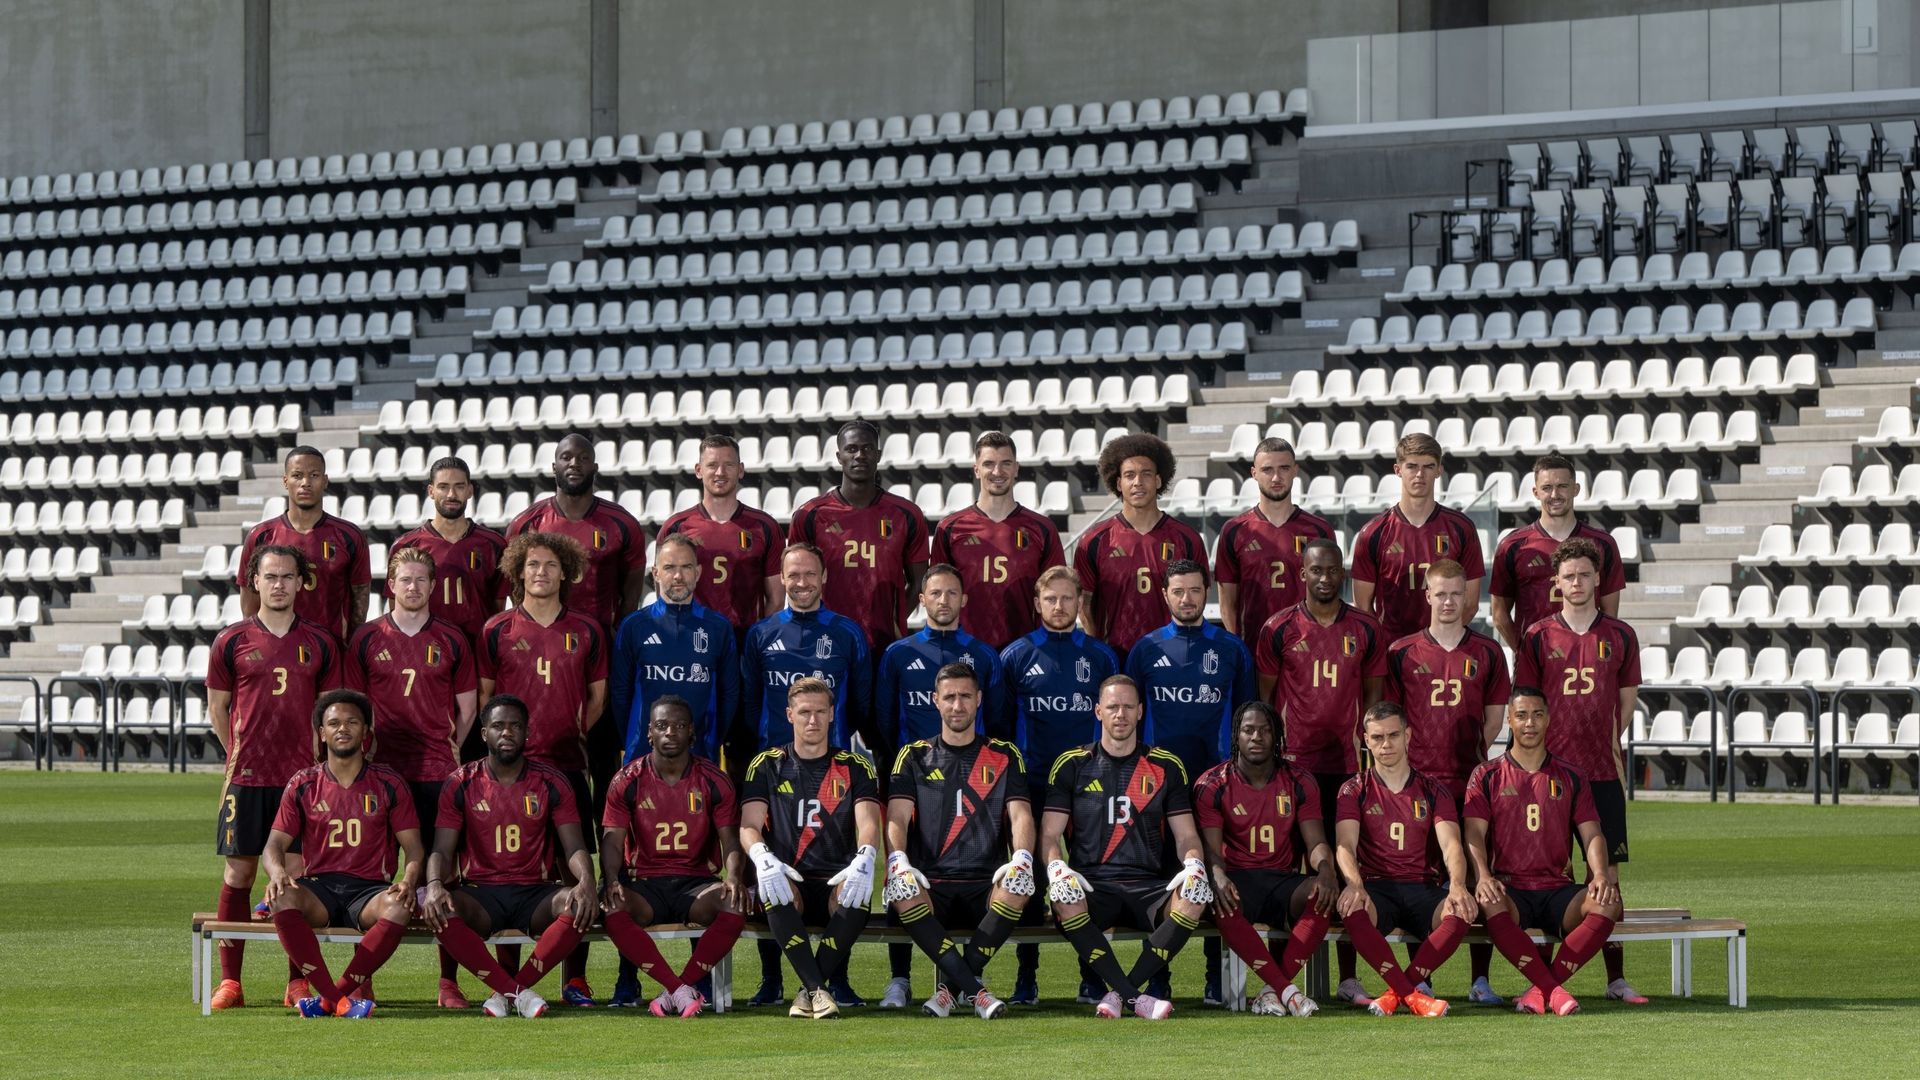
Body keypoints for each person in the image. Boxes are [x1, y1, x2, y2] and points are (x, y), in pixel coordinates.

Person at [206, 544, 343, 1011]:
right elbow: (219, 709)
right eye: (271, 577)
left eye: (288, 576)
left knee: (297, 880)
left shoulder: (321, 642)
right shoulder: (231, 640)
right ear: (255, 583)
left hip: (304, 782)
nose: (279, 584)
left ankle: (297, 982)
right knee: (240, 872)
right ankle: (231, 982)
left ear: (301, 583)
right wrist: (238, 757)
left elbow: (331, 713)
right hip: (248, 779)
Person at [1252, 538, 1386, 1005]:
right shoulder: (1278, 628)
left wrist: (1369, 756)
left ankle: (1348, 976)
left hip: (1347, 769)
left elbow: (1372, 700)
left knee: (1350, 869)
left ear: (1342, 572)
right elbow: (1266, 704)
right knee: (1288, 872)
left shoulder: (1366, 628)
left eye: (1333, 570)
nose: (1325, 578)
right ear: (1301, 574)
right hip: (1294, 770)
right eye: (1316, 570)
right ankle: (1280, 976)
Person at [478, 531, 609, 1006]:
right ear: (519, 572)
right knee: (512, 872)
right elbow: (486, 697)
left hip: (568, 764)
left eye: (551, 565)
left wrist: (567, 728)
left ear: (565, 572)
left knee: (573, 870)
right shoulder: (497, 629)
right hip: (512, 771)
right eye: (532, 565)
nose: (541, 573)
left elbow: (596, 699)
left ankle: (574, 978)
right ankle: (509, 982)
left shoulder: (588, 630)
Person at [344, 546, 479, 1007]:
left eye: (422, 580)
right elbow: (355, 710)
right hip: (381, 775)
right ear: (391, 585)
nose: (414, 587)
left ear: (433, 586)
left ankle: (447, 982)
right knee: (372, 875)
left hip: (439, 773)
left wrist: (449, 745)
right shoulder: (366, 638)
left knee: (443, 876)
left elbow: (466, 709)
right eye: (406, 580)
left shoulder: (453, 639)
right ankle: (362, 979)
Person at [1515, 537, 1645, 1005]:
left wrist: (1604, 741)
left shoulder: (1620, 635)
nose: (1577, 583)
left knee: (1607, 878)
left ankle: (1615, 979)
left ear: (1596, 580)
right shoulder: (1537, 636)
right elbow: (1525, 707)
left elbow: (1625, 702)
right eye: (1568, 576)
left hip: (1602, 775)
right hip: (1551, 778)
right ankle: (1549, 980)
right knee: (1549, 877)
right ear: (1557, 583)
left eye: (1584, 575)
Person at [872, 563, 1009, 1007]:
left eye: (953, 592)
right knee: (903, 869)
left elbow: (1000, 720)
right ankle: (900, 977)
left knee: (991, 868)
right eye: (936, 593)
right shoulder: (898, 653)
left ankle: (964, 982)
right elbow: (884, 720)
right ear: (922, 600)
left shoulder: (985, 656)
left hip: (973, 773)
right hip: (915, 774)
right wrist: (902, 767)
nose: (944, 600)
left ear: (964, 600)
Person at [506, 433, 648, 854]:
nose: (574, 464)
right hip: (542, 657)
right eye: (566, 457)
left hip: (598, 655)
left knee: (604, 766)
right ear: (554, 466)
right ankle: (530, 860)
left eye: (582, 458)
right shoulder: (527, 523)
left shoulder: (621, 524)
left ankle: (609, 870)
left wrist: (612, 636)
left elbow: (631, 591)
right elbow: (518, 585)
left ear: (594, 467)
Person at [1124, 557, 1256, 1006]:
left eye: (1195, 590)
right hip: (1156, 788)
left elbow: (1246, 720)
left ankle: (1216, 981)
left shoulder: (1232, 649)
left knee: (1217, 878)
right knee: (1160, 885)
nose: (1187, 599)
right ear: (1165, 595)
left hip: (1214, 786)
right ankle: (1157, 979)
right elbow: (1132, 722)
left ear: (1208, 592)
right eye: (1178, 591)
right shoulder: (1144, 650)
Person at [421, 695, 600, 1019]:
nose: (507, 733)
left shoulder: (551, 781)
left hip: (535, 893)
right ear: (484, 733)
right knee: (439, 906)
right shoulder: (461, 782)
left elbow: (574, 847)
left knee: (577, 902)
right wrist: (434, 884)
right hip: (481, 895)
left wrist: (587, 880)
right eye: (499, 726)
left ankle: (509, 990)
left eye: (515, 726)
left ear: (527, 733)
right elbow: (441, 851)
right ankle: (519, 993)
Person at [1041, 675, 1206, 1020]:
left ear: (1141, 711)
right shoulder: (1072, 763)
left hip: (1148, 885)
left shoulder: (1166, 766)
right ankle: (1136, 996)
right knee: (1062, 897)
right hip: (1092, 884)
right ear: (1098, 711)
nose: (1121, 714)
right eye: (1113, 707)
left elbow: (1187, 837)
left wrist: (1193, 865)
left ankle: (1120, 993)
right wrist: (1057, 868)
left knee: (1195, 896)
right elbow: (1048, 835)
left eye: (1128, 706)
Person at [1384, 556, 1510, 1004]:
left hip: (1469, 782)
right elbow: (1392, 719)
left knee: (1479, 874)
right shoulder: (1401, 652)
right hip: (1417, 784)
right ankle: (1423, 978)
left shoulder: (1488, 652)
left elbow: (1495, 718)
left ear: (1467, 598)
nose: (1449, 601)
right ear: (1428, 596)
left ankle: (1480, 979)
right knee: (1425, 880)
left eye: (1457, 593)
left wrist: (1474, 757)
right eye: (1441, 593)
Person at [996, 565, 1121, 1004]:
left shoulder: (1102, 657)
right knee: (1026, 876)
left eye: (1068, 598)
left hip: (1089, 784)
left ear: (1079, 602)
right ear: (1037, 603)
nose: (1059, 606)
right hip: (1032, 782)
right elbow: (1000, 728)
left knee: (1088, 877)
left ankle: (1092, 978)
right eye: (1051, 599)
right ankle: (1026, 978)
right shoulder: (1014, 656)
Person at [882, 663, 1032, 1019]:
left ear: (979, 699)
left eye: (965, 696)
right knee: (901, 890)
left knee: (1019, 886)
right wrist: (898, 861)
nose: (957, 705)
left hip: (986, 881)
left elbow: (1021, 814)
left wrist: (1022, 856)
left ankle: (951, 991)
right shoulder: (914, 755)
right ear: (935, 701)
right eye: (949, 697)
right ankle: (976, 992)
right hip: (931, 881)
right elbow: (896, 817)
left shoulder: (1004, 754)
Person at [262, 689, 424, 1018]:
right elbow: (273, 845)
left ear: (367, 732)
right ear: (321, 733)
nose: (342, 728)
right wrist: (278, 873)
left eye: (352, 722)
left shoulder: (389, 783)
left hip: (369, 891)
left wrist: (408, 880)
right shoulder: (303, 783)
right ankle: (337, 998)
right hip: (319, 888)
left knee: (399, 906)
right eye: (333, 723)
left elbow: (415, 848)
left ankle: (329, 998)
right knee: (281, 898)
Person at [1464, 688, 1622, 1016]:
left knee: (1609, 903)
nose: (1529, 723)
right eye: (1521, 715)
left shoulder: (1572, 775)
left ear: (1549, 720)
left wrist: (1602, 874)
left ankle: (1542, 987)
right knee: (1488, 899)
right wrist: (1482, 876)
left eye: (1537, 715)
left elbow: (1592, 833)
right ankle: (1553, 990)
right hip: (1510, 888)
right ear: (1509, 720)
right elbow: (1473, 834)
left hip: (1557, 890)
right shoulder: (1486, 774)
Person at [739, 678, 885, 1020]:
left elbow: (868, 822)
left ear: (832, 714)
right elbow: (749, 825)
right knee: (773, 886)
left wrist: (865, 858)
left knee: (857, 891)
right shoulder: (767, 764)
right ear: (790, 715)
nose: (813, 721)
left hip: (836, 875)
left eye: (821, 712)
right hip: (789, 875)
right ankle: (818, 989)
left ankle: (815, 990)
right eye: (804, 712)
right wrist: (762, 857)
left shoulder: (854, 765)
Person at [599, 697, 748, 1019]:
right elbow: (612, 842)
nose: (671, 732)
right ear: (649, 732)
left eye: (679, 726)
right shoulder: (627, 780)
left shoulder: (713, 779)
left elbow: (731, 841)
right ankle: (654, 985)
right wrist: (611, 878)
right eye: (662, 725)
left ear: (691, 732)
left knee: (735, 901)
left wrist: (734, 877)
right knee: (612, 902)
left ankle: (684, 984)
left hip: (697, 884)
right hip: (645, 885)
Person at [1333, 702, 1477, 1019]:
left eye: (1394, 735)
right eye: (1378, 737)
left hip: (1423, 887)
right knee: (1352, 906)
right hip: (1377, 887)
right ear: (1365, 740)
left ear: (1408, 735)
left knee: (1462, 910)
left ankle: (1398, 991)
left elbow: (1452, 844)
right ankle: (1413, 994)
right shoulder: (1353, 789)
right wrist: (1355, 885)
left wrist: (1456, 886)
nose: (1386, 744)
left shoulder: (1432, 789)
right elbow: (1345, 844)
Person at [1194, 701, 1335, 1018]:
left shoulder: (1300, 781)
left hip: (1282, 880)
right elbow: (1212, 851)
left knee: (1322, 894)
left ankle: (1272, 991)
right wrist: (1217, 876)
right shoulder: (1212, 784)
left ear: (1277, 736)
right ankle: (1288, 991)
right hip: (1237, 880)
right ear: (1236, 736)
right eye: (1248, 730)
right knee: (1220, 895)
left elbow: (1316, 842)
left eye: (1265, 730)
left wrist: (1326, 870)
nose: (1256, 736)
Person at [788, 420, 930, 651]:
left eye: (867, 448)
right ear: (839, 456)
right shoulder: (809, 515)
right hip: (825, 641)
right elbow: (795, 578)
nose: (860, 455)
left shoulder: (907, 514)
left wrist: (894, 620)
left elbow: (920, 581)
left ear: (878, 454)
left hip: (885, 642)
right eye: (851, 449)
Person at [609, 532, 739, 765]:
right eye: (669, 567)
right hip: (642, 758)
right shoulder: (634, 626)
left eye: (686, 567)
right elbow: (620, 695)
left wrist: (711, 740)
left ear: (698, 573)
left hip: (701, 756)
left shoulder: (719, 628)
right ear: (656, 574)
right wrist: (633, 740)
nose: (678, 576)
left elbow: (728, 696)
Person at [1073, 432, 1205, 657]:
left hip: (1176, 656)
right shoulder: (1094, 541)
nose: (1137, 482)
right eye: (1129, 475)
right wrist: (1099, 649)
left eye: (1146, 474)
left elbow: (1198, 598)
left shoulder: (1187, 538)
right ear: (1118, 482)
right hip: (1116, 655)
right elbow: (1084, 604)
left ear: (1158, 480)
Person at [931, 431, 1066, 647]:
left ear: (1016, 469)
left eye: (1005, 463)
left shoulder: (1042, 528)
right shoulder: (950, 528)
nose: (997, 471)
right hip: (964, 648)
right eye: (988, 464)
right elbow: (936, 595)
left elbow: (1057, 592)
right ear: (976, 470)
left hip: (1027, 649)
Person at [739, 543, 873, 754]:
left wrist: (832, 735)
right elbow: (750, 702)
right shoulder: (760, 633)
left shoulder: (848, 633)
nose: (802, 583)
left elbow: (861, 704)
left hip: (832, 755)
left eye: (810, 574)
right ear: (782, 577)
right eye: (793, 575)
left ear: (824, 576)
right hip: (774, 757)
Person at [1350, 433, 1484, 642]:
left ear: (1439, 470)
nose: (1420, 474)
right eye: (1412, 466)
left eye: (1429, 466)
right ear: (1398, 470)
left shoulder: (1462, 528)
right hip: (1391, 654)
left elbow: (1470, 604)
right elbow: (1363, 609)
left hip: (1444, 650)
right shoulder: (1373, 533)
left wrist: (1435, 645)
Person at [1490, 454, 1626, 652]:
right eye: (1547, 488)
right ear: (1536, 492)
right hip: (1534, 665)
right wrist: (1525, 652)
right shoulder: (1512, 545)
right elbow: (1499, 614)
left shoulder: (1603, 543)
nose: (1555, 494)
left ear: (1575, 489)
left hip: (1585, 657)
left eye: (1562, 486)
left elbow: (1610, 613)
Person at [237, 446, 370, 640]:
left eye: (314, 475)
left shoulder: (349, 536)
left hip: (330, 655)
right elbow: (249, 604)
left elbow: (359, 604)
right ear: (285, 481)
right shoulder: (261, 536)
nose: (305, 483)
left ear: (325, 481)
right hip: (277, 649)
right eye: (297, 475)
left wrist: (349, 649)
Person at [657, 434, 785, 636]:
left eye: (729, 465)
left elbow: (776, 600)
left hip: (744, 643)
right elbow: (664, 594)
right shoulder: (676, 527)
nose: (720, 472)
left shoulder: (765, 527)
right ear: (698, 470)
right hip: (691, 640)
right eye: (712, 465)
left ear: (740, 470)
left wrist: (758, 640)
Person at [1213, 437, 1334, 639]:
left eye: (1284, 468)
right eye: (1267, 470)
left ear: (1295, 470)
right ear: (1254, 473)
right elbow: (1227, 603)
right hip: (1254, 647)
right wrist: (1237, 646)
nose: (1276, 477)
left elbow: (1330, 596)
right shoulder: (1234, 531)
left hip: (1308, 647)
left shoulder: (1319, 530)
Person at [388, 455, 507, 647]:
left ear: (470, 491)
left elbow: (499, 609)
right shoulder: (407, 546)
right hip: (425, 652)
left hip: (478, 651)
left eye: (459, 486)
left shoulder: (494, 545)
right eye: (443, 487)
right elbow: (398, 609)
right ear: (431, 491)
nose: (451, 494)